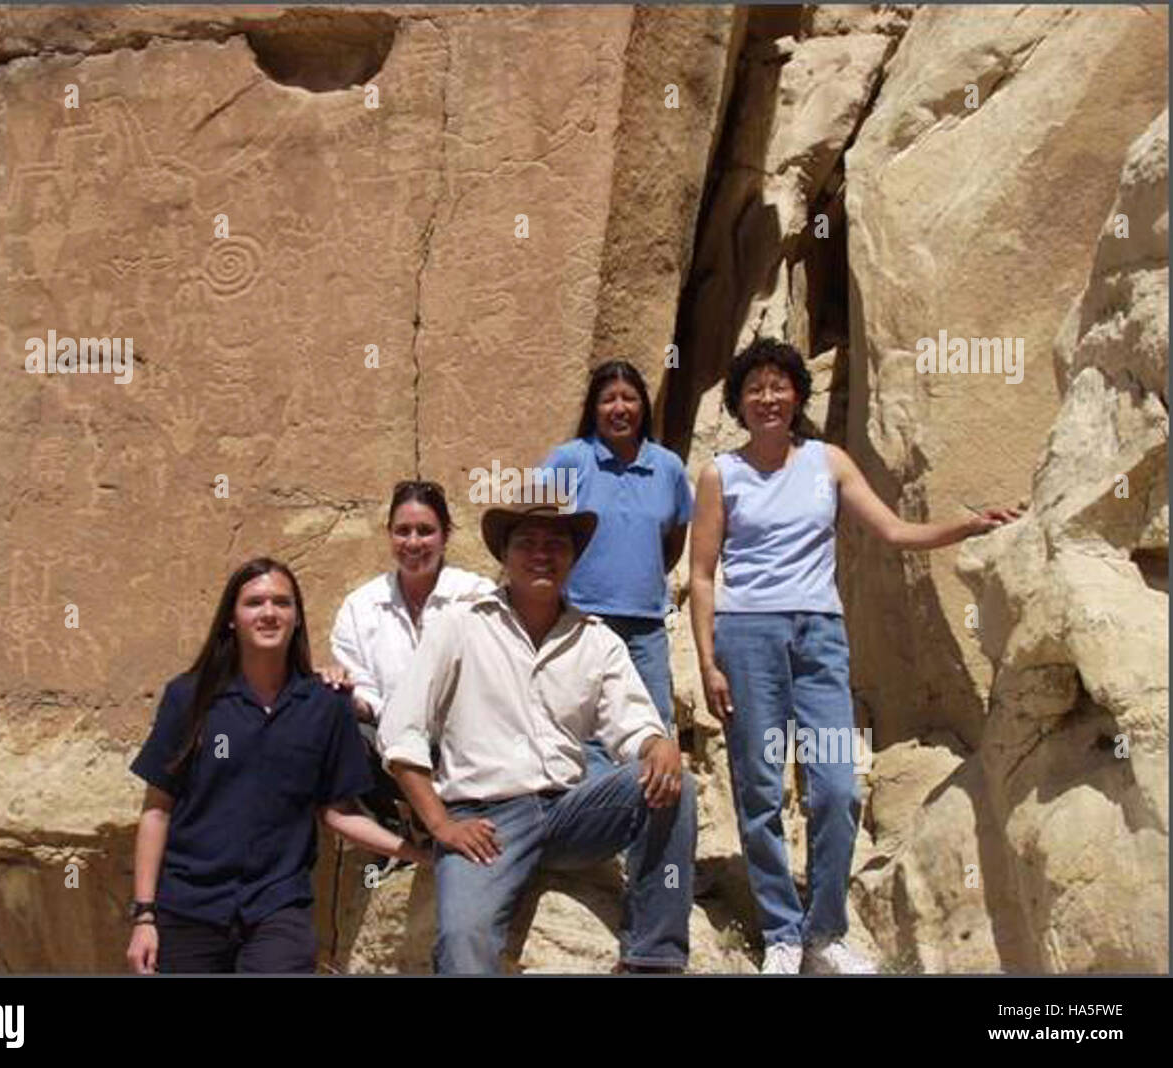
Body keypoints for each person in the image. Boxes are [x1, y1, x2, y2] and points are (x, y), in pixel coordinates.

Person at [689, 337, 1022, 975]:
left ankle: (825, 932)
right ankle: (783, 933)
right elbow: (702, 574)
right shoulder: (720, 475)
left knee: (836, 786)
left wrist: (969, 524)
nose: (768, 398)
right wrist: (707, 661)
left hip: (819, 636)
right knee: (759, 790)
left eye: (778, 385)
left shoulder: (828, 461)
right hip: (746, 636)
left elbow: (895, 531)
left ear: (796, 394)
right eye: (754, 388)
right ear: (737, 401)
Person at [379, 501, 698, 975]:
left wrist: (658, 744)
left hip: (569, 814)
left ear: (573, 558)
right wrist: (441, 825)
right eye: (527, 543)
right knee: (464, 940)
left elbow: (634, 726)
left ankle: (653, 958)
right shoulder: (459, 626)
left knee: (675, 786)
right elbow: (400, 733)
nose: (541, 555)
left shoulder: (596, 639)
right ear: (504, 556)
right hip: (486, 822)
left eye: (556, 545)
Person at [125, 557, 428, 974]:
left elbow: (337, 812)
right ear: (231, 618)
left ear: (297, 618)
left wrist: (418, 853)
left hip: (278, 908)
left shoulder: (326, 705)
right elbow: (157, 809)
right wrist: (144, 916)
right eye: (254, 602)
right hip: (188, 907)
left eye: (282, 603)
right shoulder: (189, 698)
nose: (269, 612)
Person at [539, 360, 693, 775]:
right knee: (588, 731)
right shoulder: (569, 460)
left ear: (644, 405)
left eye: (629, 398)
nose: (619, 408)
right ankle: (599, 832)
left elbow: (674, 542)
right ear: (593, 408)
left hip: (647, 625)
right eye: (608, 399)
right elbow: (536, 525)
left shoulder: (669, 467)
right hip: (582, 618)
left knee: (653, 727)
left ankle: (647, 830)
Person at [329, 480, 493, 867]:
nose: (414, 542)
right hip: (395, 750)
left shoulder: (477, 596)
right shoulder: (361, 606)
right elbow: (368, 696)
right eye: (403, 531)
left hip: (465, 748)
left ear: (446, 535)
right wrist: (348, 699)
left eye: (426, 531)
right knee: (329, 714)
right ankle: (394, 830)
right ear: (389, 535)